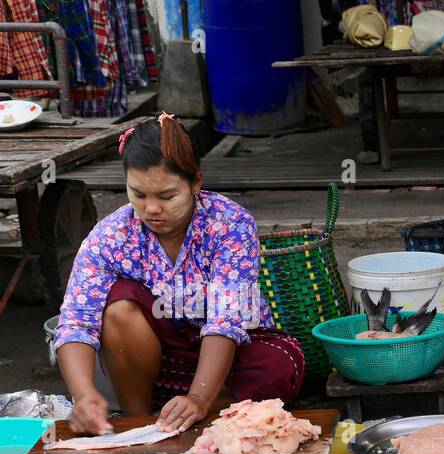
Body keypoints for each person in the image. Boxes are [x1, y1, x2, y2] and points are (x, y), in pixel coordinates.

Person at [55, 114, 306, 437]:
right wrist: (84, 395)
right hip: (158, 360)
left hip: (226, 357)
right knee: (119, 305)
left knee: (277, 365)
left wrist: (200, 396)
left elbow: (225, 320)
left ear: (196, 183)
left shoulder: (229, 224)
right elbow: (76, 322)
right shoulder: (112, 235)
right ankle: (139, 421)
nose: (151, 209)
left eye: (167, 196)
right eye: (138, 194)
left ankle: (190, 413)